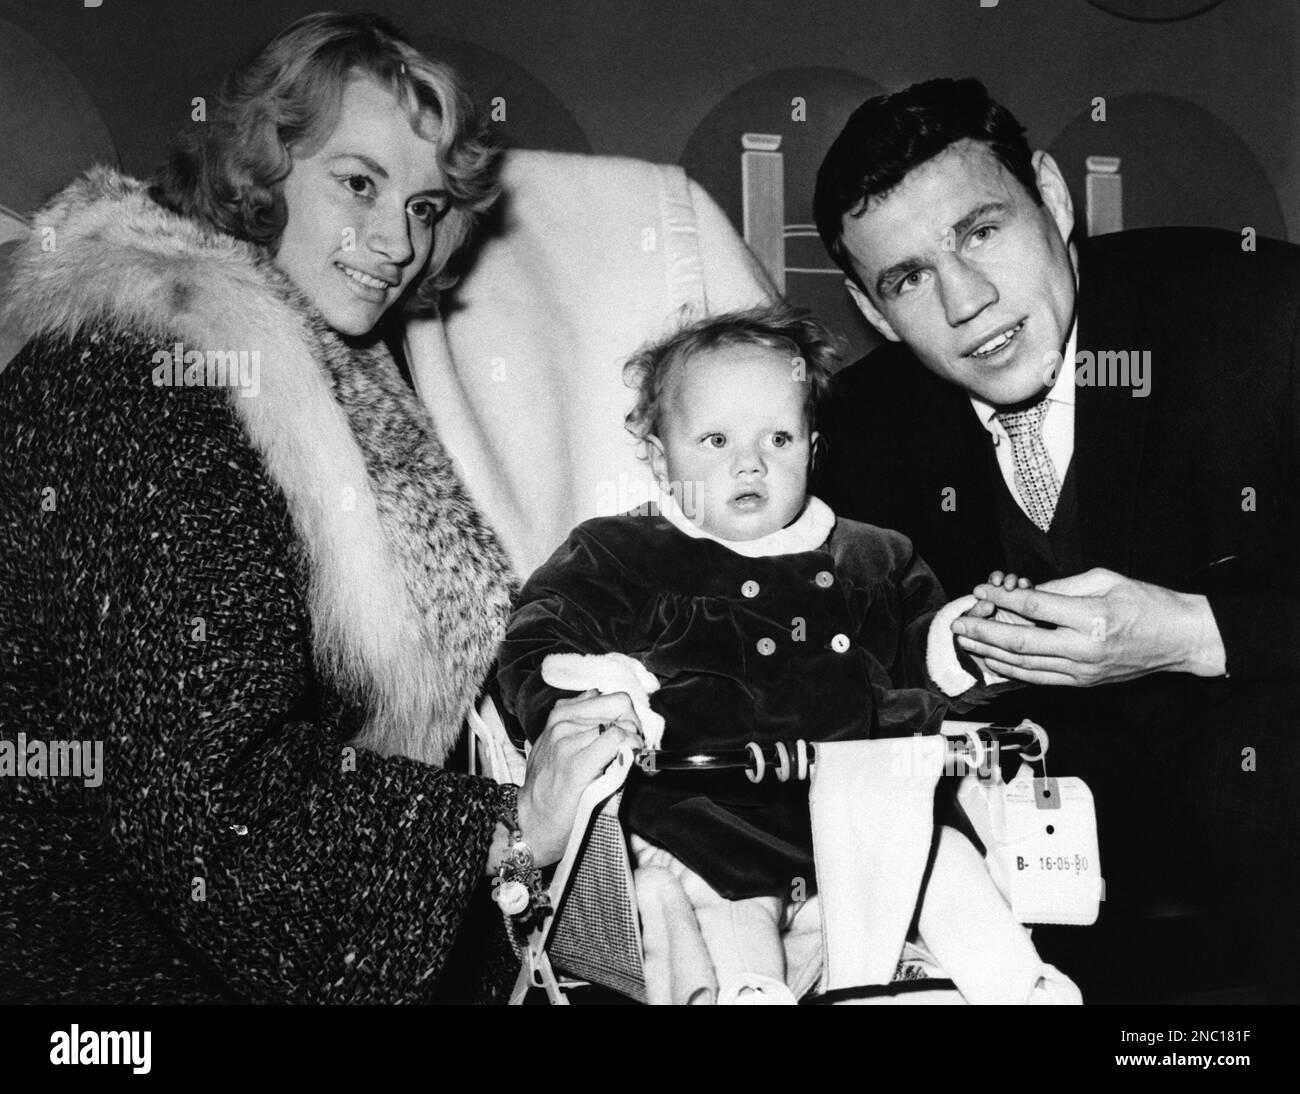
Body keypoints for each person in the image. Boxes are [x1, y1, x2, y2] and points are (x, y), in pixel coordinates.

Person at [0, 12, 642, 1004]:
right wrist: (502, 821)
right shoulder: (153, 364)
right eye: (358, 183)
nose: (397, 241)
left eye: (425, 205)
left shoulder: (309, 375)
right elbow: (202, 795)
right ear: (262, 166)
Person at [813, 76, 1300, 1000]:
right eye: (908, 278)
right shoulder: (857, 436)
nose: (966, 302)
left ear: (1055, 195)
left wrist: (1197, 633)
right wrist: (954, 668)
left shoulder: (1264, 321)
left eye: (980, 231)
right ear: (871, 309)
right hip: (1053, 950)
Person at [497, 304, 1070, 1003]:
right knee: (723, 906)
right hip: (712, 817)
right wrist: (589, 685)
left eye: (779, 438)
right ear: (655, 455)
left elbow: (922, 655)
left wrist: (969, 640)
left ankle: (1020, 986)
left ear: (813, 445)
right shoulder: (621, 553)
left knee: (947, 861)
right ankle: (749, 988)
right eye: (714, 440)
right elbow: (540, 630)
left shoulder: (872, 555)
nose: (750, 463)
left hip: (870, 813)